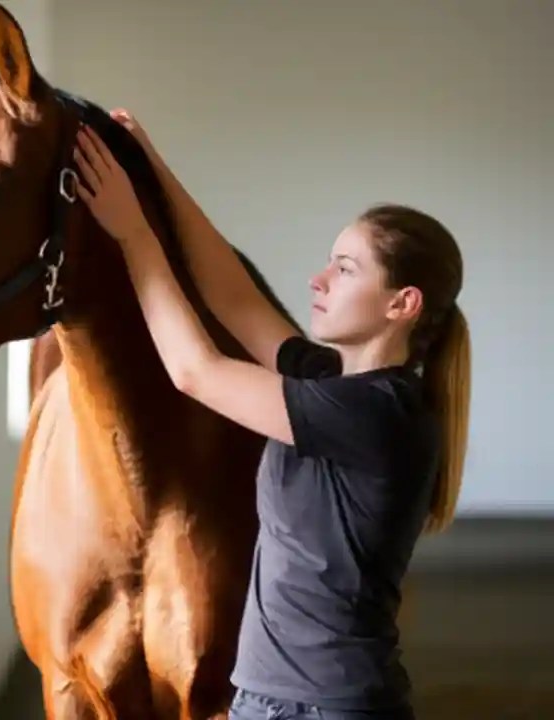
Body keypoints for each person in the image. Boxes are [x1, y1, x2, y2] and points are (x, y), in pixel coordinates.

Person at [71, 110, 471, 720]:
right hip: (274, 698)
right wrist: (153, 169)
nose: (319, 280)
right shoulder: (329, 381)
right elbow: (232, 295)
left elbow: (194, 371)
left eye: (345, 268)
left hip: (320, 707)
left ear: (402, 303)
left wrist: (133, 234)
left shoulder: (377, 413)